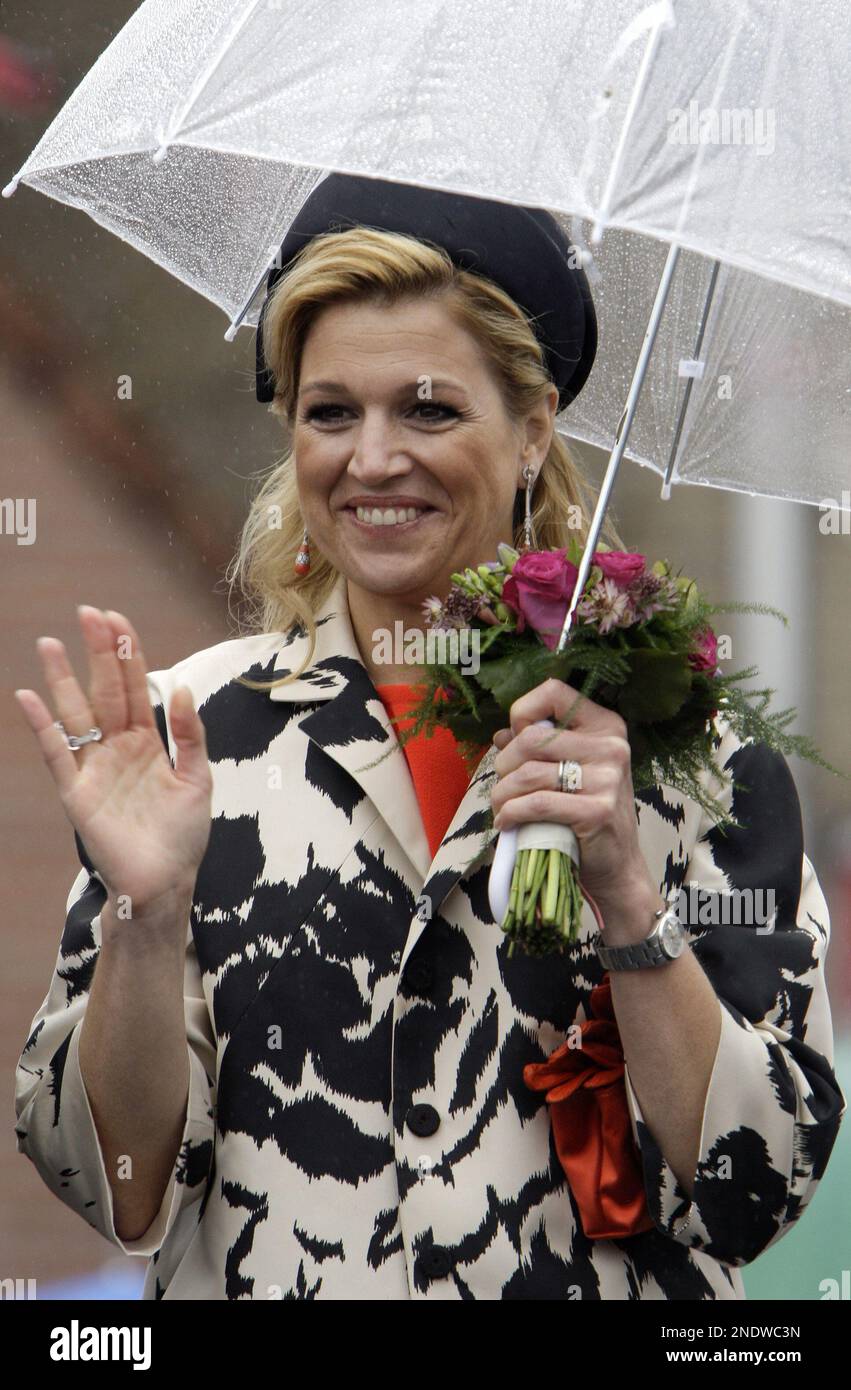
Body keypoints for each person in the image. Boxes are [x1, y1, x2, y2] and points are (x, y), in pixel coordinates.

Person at [13, 175, 845, 1301]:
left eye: (429, 409)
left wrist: (629, 903)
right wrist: (144, 921)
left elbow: (757, 1191)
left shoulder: (690, 756)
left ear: (531, 430)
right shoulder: (186, 740)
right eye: (329, 412)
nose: (371, 460)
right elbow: (112, 1182)